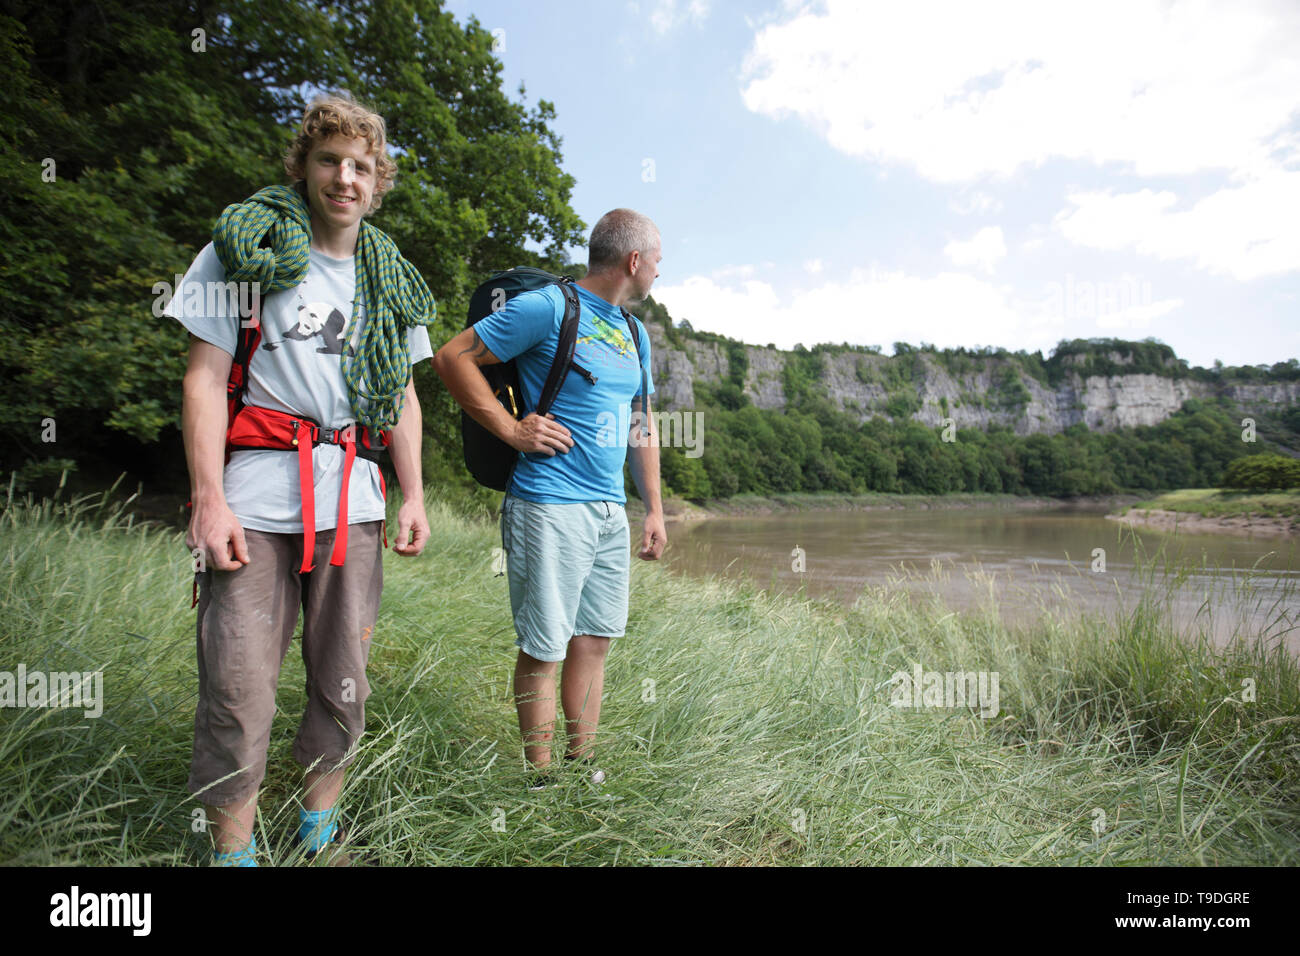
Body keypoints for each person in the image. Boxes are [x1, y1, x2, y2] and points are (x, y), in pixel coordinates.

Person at [168, 92, 435, 865]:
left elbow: (403, 396)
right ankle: (232, 850)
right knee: (236, 678)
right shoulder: (242, 249)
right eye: (329, 160)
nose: (344, 177)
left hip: (352, 500)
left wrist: (412, 492)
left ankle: (320, 828)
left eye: (361, 165)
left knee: (344, 676)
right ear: (304, 167)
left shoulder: (393, 279)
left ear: (378, 180)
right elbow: (203, 379)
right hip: (254, 495)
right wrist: (209, 499)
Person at [433, 208, 667, 786]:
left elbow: (641, 423)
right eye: (658, 261)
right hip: (549, 503)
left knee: (594, 641)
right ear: (633, 260)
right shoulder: (548, 308)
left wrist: (654, 509)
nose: (660, 273)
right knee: (546, 645)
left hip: (609, 510)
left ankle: (581, 763)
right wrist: (512, 430)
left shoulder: (635, 332)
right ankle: (541, 780)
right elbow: (451, 358)